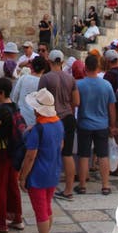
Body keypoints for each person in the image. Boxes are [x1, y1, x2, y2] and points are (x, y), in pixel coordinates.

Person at [18, 89, 64, 233]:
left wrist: (22, 177)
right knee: (47, 205)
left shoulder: (38, 129)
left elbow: (30, 156)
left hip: (38, 173)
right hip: (53, 169)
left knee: (40, 209)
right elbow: (61, 145)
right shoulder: (58, 123)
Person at [75, 53, 116, 195]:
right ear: (98, 67)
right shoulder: (106, 85)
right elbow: (111, 107)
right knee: (103, 155)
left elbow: (76, 104)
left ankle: (82, 185)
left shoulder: (79, 84)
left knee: (84, 155)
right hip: (102, 124)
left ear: (85, 67)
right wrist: (113, 125)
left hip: (84, 124)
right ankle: (105, 185)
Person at [41, 50, 79, 200]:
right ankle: (68, 189)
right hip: (68, 117)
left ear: (49, 62)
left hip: (52, 118)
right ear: (62, 62)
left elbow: (40, 100)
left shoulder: (46, 78)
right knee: (67, 154)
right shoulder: (71, 79)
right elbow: (76, 102)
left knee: (49, 153)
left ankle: (47, 186)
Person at [0, 77, 25, 233]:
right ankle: (17, 217)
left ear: (1, 93)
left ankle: (1, 221)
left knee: (0, 186)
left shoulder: (1, 110)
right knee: (12, 185)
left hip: (2, 151)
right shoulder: (15, 106)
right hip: (14, 150)